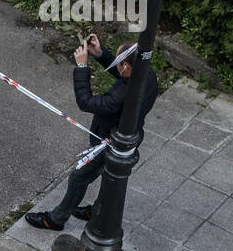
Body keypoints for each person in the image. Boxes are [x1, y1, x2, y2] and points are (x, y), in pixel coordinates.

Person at [26, 36, 157, 230]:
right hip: (129, 138)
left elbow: (86, 102)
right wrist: (101, 54)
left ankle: (56, 219)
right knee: (110, 179)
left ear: (126, 66)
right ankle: (98, 211)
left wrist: (82, 67)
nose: (117, 63)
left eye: (118, 61)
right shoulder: (147, 74)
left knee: (79, 177)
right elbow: (125, 73)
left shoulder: (118, 97)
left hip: (108, 143)